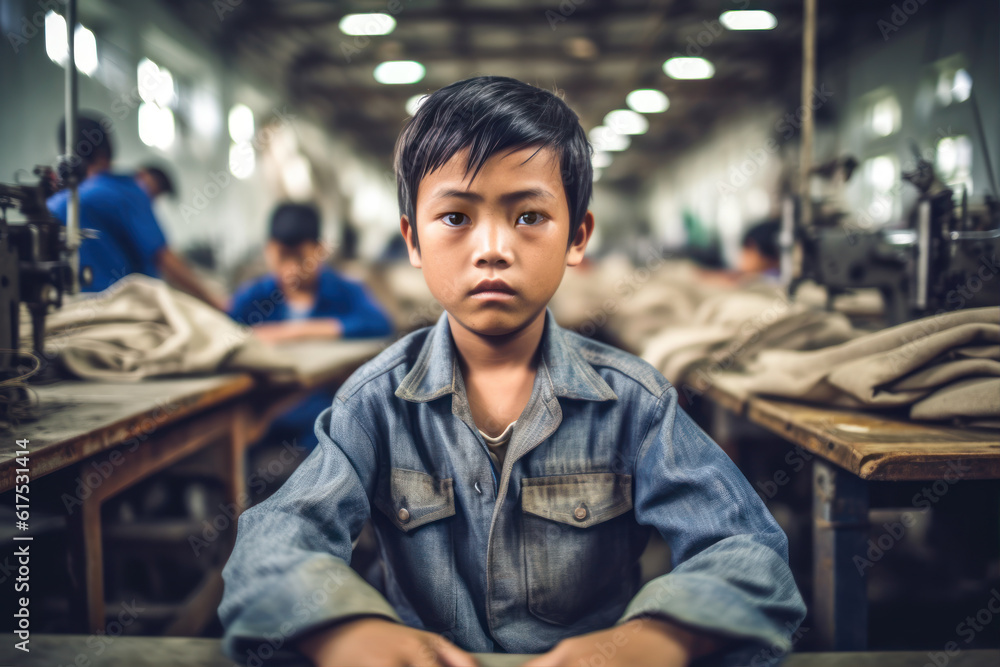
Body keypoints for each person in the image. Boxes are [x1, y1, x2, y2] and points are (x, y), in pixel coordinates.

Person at [218, 76, 805, 667]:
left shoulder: (636, 404)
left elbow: (747, 551)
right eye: (456, 216)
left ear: (577, 237)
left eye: (528, 216)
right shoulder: (374, 404)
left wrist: (662, 638)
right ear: (413, 240)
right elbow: (274, 541)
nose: (493, 248)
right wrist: (343, 631)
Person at [228, 202, 394, 453]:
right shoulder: (254, 296)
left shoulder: (344, 290)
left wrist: (294, 331)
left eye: (301, 258)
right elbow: (221, 334)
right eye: (282, 257)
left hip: (316, 404)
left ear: (320, 251)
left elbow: (380, 323)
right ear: (269, 250)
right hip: (260, 405)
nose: (291, 269)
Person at [47, 114, 225, 309]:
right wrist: (216, 301)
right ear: (105, 154)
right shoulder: (124, 191)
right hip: (127, 309)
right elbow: (164, 258)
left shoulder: (53, 203)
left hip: (68, 309)